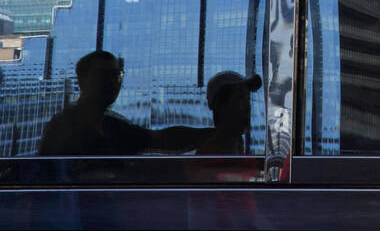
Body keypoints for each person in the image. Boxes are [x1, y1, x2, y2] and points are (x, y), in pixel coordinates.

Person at [38, 50, 215, 156]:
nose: (113, 82)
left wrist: (218, 133)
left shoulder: (113, 126)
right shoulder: (63, 128)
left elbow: (161, 140)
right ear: (81, 80)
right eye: (104, 75)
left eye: (117, 75)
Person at [195, 71, 262, 155]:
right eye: (240, 98)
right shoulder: (208, 158)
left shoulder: (237, 151)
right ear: (220, 105)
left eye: (248, 98)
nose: (248, 107)